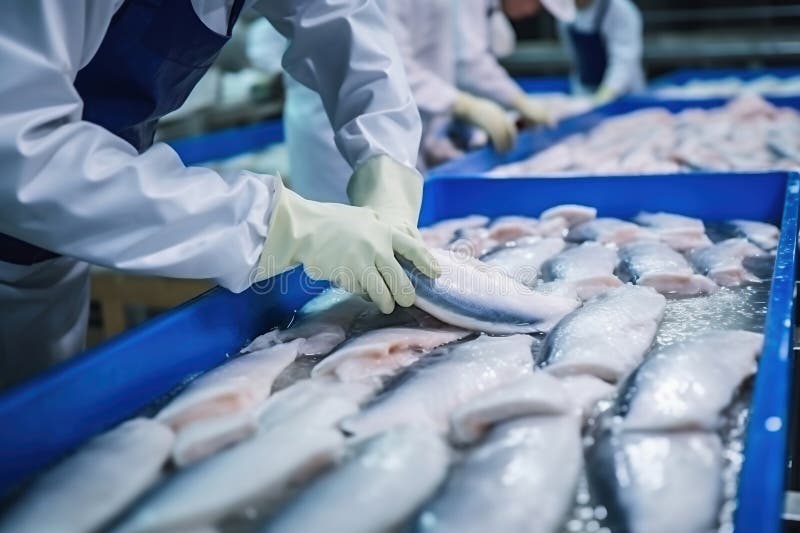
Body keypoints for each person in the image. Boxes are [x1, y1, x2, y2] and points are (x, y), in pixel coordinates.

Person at [0, 0, 438, 388]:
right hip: (28, 215)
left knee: (34, 443)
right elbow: (18, 149)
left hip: (55, 247)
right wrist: (276, 221)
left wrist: (388, 164)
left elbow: (344, 21)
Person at [287, 0, 556, 204]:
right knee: (346, 240)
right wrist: (460, 104)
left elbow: (460, 56)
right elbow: (380, 65)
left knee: (395, 232)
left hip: (393, 117)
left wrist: (513, 98)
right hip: (337, 125)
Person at [555, 0, 645, 102]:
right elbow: (573, 55)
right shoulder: (563, 10)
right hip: (584, 91)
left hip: (625, 95)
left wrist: (606, 93)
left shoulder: (619, 9)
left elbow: (624, 60)